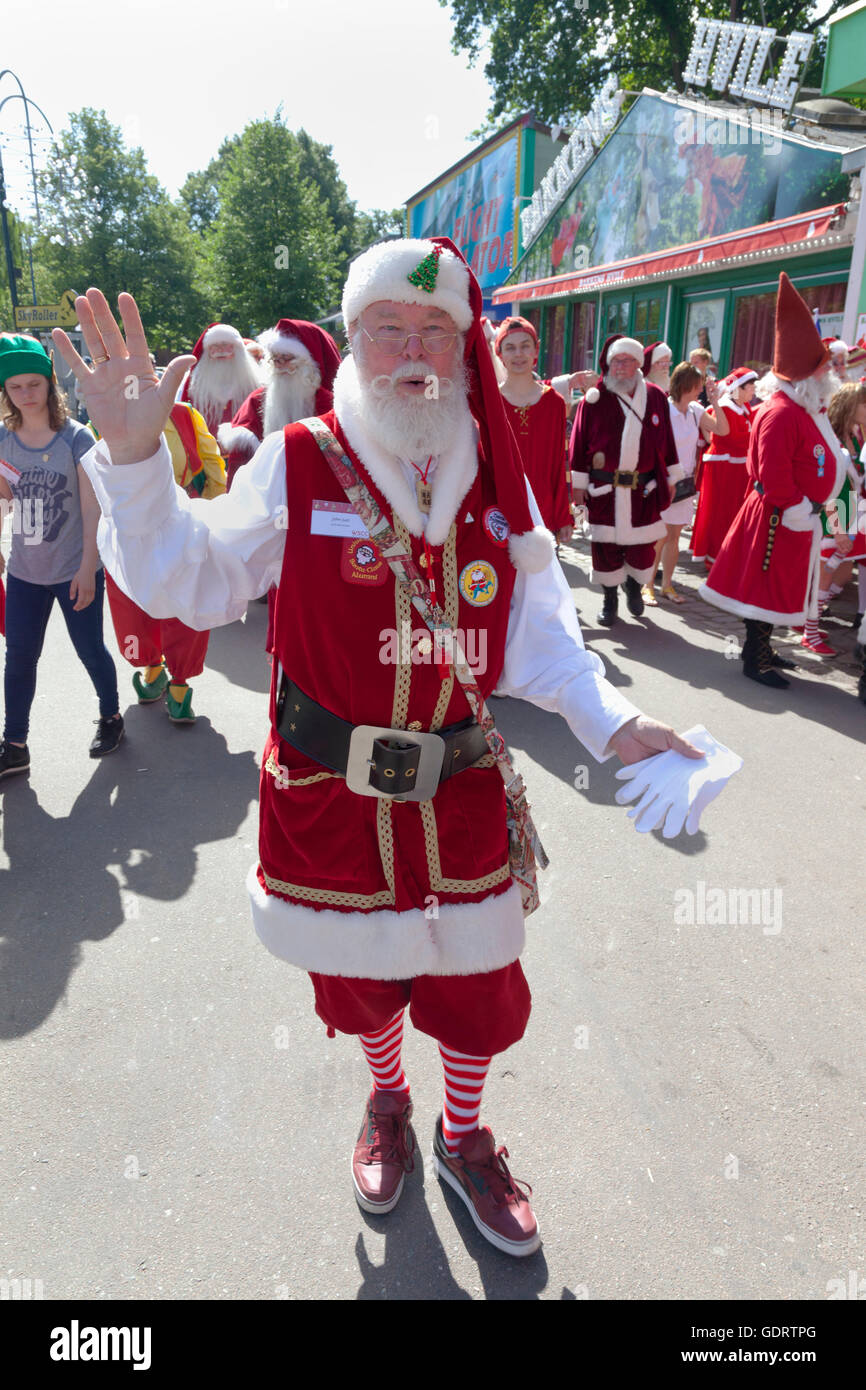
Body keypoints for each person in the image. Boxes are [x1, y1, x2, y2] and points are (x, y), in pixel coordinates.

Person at [57, 238, 719, 1260]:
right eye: (387, 328)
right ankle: (387, 1100)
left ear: (461, 345)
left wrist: (613, 725)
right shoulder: (297, 458)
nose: (412, 349)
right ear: (353, 339)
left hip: (457, 787)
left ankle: (463, 1135)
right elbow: (188, 580)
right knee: (359, 985)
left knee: (475, 989)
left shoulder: (496, 467)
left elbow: (543, 634)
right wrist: (139, 461)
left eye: (435, 328)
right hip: (329, 790)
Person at [700, 273, 845, 688]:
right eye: (821, 370)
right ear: (801, 375)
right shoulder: (781, 412)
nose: (828, 375)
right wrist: (800, 509)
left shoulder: (803, 405)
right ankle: (754, 657)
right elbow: (772, 472)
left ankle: (766, 648)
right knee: (764, 587)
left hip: (795, 516)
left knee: (780, 587)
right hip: (780, 517)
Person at [0, 334, 122, 782]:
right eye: (16, 387)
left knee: (89, 649)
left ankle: (111, 717)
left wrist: (89, 566)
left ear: (50, 385)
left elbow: (93, 507)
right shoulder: (2, 439)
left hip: (74, 568)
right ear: (6, 392)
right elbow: (3, 498)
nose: (26, 394)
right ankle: (15, 745)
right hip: (26, 573)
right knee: (19, 657)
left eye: (34, 384)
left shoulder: (76, 438)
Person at [104, 401, 226, 722]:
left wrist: (213, 515)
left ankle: (180, 684)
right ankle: (153, 667)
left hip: (183, 523)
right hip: (131, 531)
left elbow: (211, 462)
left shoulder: (183, 413)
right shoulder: (104, 414)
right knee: (135, 604)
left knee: (186, 601)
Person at [569, 334, 683, 626]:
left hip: (644, 489)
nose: (620, 366)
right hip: (604, 489)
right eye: (616, 361)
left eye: (627, 360)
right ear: (608, 363)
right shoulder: (594, 399)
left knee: (642, 548)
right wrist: (579, 486)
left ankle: (634, 586)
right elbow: (578, 442)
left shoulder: (655, 396)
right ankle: (610, 599)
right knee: (605, 548)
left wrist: (671, 476)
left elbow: (667, 440)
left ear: (639, 364)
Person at [217, 319, 341, 491]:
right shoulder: (258, 400)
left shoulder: (329, 403)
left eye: (287, 358)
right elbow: (240, 460)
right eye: (275, 359)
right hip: (267, 492)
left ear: (308, 363)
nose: (280, 365)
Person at [642, 362, 728, 607]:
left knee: (675, 535)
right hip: (664, 480)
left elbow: (722, 429)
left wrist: (716, 402)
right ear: (687, 385)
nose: (701, 389)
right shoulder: (663, 408)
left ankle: (666, 584)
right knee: (658, 536)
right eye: (698, 385)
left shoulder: (696, 410)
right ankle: (647, 585)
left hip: (685, 482)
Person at [494, 316, 572, 542]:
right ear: (500, 354)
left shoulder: (554, 402)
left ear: (536, 351)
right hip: (500, 511)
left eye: (524, 346)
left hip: (543, 511)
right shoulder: (490, 402)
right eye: (510, 347)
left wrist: (563, 515)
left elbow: (561, 461)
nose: (518, 354)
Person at [802, 381, 866, 656]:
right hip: (833, 514)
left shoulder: (854, 436)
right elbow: (826, 486)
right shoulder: (833, 439)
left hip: (849, 508)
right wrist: (839, 529)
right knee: (825, 574)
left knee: (837, 571)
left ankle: (809, 621)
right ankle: (809, 632)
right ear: (852, 406)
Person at [690, 367, 757, 568]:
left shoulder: (744, 408)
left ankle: (728, 553)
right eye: (750, 386)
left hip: (737, 467)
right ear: (738, 388)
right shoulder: (725, 407)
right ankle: (714, 554)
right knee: (720, 511)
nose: (754, 390)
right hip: (723, 467)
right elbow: (725, 436)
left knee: (734, 511)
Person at [176, 322, 261, 440]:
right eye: (214, 346)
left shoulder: (256, 382)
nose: (221, 350)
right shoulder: (192, 385)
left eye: (226, 344)